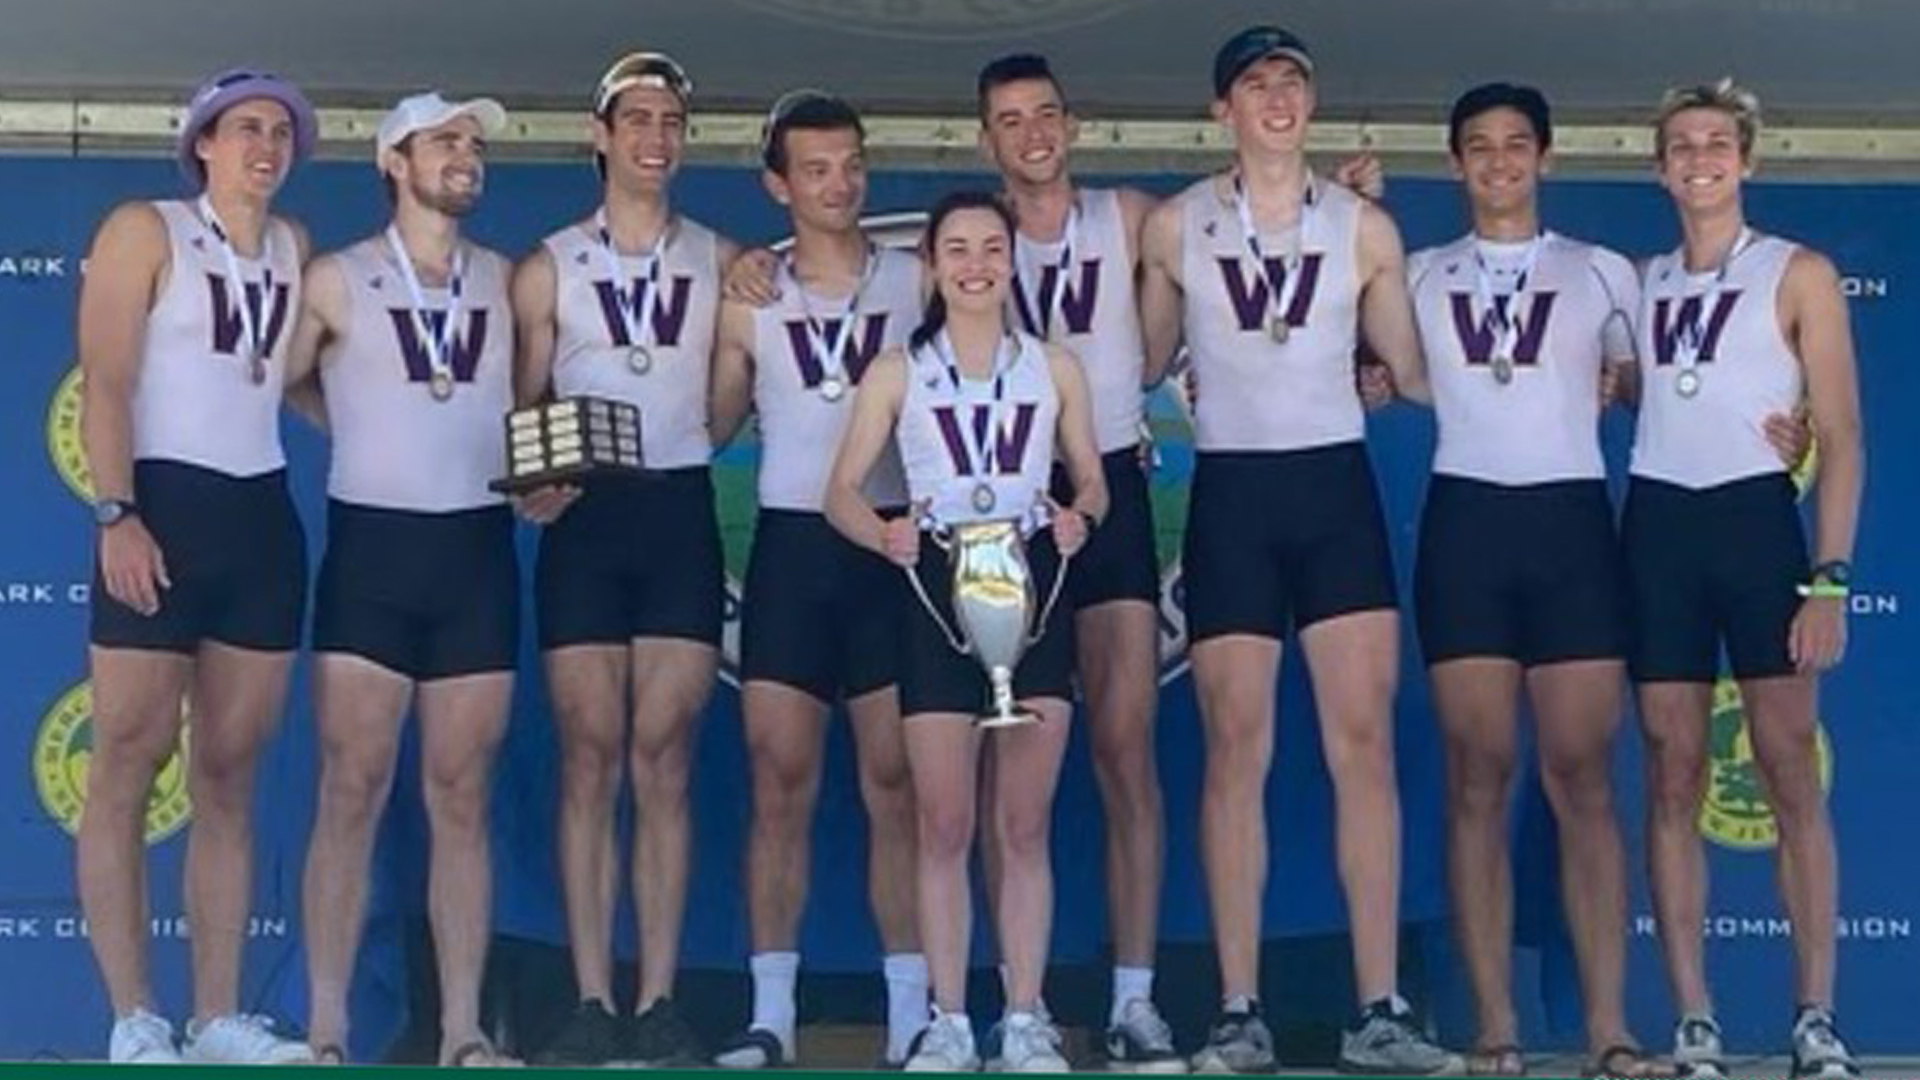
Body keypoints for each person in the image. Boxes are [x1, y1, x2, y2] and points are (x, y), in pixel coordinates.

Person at [1136, 26, 1458, 1074]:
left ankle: (1381, 1008)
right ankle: (1238, 1010)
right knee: (1235, 750)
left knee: (1362, 746)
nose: (1275, 98)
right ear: (1222, 110)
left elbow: (1411, 371)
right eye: (1254, 84)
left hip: (1334, 494)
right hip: (1232, 495)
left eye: (1291, 82)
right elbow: (1137, 360)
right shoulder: (1177, 226)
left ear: (1310, 105)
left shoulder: (1365, 227)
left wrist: (1568, 380)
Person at [823, 191, 1108, 1072]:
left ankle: (1023, 1017)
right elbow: (839, 494)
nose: (976, 265)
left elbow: (1094, 481)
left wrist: (1081, 521)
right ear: (933, 265)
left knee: (1022, 823)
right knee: (943, 822)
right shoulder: (896, 371)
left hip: (1031, 585)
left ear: (1012, 261)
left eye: (991, 248)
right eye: (958, 249)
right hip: (937, 592)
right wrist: (884, 535)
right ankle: (947, 1019)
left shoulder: (1054, 367)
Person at [1404, 82, 1651, 1078]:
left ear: (1545, 157)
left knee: (1582, 777)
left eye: (1516, 144)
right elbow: (1378, 374)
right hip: (1466, 524)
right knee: (1476, 775)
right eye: (1479, 146)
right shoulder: (1419, 274)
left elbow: (1646, 385)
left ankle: (1609, 1028)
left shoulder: (1602, 272)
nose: (1498, 162)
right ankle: (1495, 1028)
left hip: (1571, 526)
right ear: (1455, 163)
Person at [75, 67, 318, 1065]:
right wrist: (117, 512)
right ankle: (135, 1016)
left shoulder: (295, 247)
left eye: (281, 133)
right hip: (162, 508)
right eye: (245, 128)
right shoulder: (147, 228)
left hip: (261, 521)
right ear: (203, 144)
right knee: (127, 759)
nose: (266, 146)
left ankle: (216, 1016)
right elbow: (106, 381)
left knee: (229, 772)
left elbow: (308, 382)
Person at [1627, 79, 1863, 1080]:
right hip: (1658, 526)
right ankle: (1694, 1018)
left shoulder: (1799, 271)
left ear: (1747, 159)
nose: (1700, 159)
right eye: (1681, 145)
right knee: (1671, 770)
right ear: (1660, 169)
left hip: (1757, 526)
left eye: (1717, 143)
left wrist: (1830, 578)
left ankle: (1816, 1017)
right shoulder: (1639, 282)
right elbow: (1621, 383)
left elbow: (1841, 434)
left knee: (1788, 767)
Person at [281, 90, 517, 1068]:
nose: (465, 154)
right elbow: (284, 376)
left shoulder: (505, 279)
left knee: (461, 797)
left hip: (476, 554)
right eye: (443, 140)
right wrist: (355, 422)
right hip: (372, 552)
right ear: (393, 161)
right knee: (351, 788)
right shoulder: (336, 278)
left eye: (473, 143)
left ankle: (462, 1029)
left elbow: (532, 404)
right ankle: (326, 1030)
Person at [511, 51, 739, 1066]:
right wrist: (535, 483)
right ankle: (590, 1000)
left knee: (665, 757)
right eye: (637, 119)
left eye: (671, 122)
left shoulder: (724, 259)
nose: (656, 137)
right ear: (599, 136)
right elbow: (523, 403)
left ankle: (660, 1002)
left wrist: (695, 437)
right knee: (590, 755)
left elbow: (729, 402)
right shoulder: (549, 264)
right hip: (587, 521)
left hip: (678, 509)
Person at [705, 89, 927, 1069]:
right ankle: (772, 1016)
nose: (839, 185)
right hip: (792, 551)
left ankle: (915, 1016)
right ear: (778, 185)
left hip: (889, 546)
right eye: (817, 169)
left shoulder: (918, 281)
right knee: (778, 782)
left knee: (896, 782)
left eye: (851, 165)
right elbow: (708, 425)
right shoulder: (749, 294)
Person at [971, 54, 1181, 1070]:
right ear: (987, 142)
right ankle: (1023, 1004)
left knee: (1126, 749)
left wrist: (1346, 187)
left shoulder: (1130, 217)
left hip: (1114, 493)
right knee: (1013, 765)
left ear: (1074, 124)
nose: (1033, 133)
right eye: (1011, 120)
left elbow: (1254, 216)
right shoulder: (972, 240)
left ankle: (1135, 999)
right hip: (1008, 501)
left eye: (1046, 113)